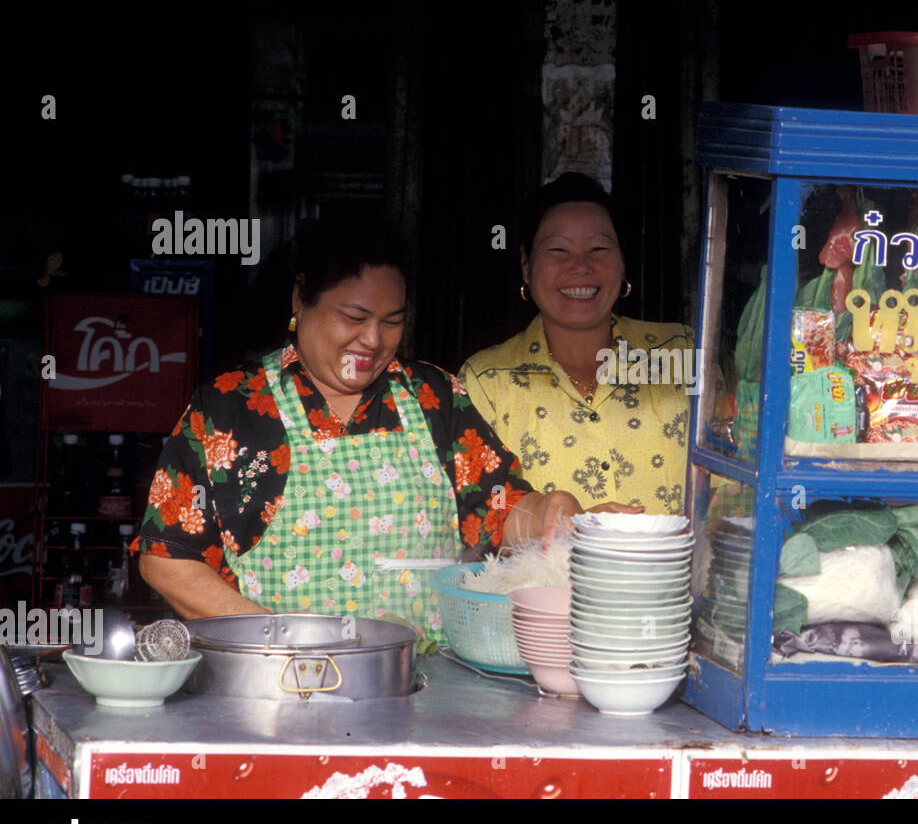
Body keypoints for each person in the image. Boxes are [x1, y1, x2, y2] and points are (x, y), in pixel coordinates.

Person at [135, 219, 586, 638]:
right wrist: (279, 637)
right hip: (276, 684)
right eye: (354, 318)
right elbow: (168, 557)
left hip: (423, 692)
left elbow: (498, 506)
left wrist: (549, 512)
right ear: (300, 298)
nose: (373, 340)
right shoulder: (230, 409)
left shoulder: (434, 396)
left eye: (392, 321)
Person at [459, 173, 697, 513]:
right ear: (526, 265)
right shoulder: (486, 383)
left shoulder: (681, 354)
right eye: (558, 250)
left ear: (622, 261)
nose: (581, 267)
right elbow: (479, 514)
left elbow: (730, 490)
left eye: (598, 249)